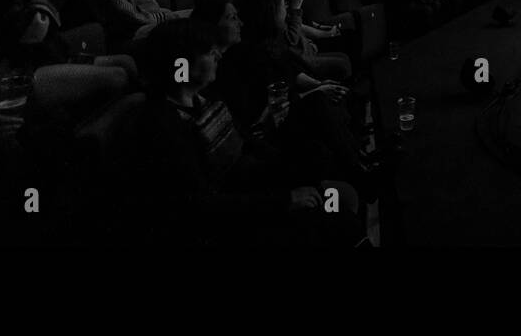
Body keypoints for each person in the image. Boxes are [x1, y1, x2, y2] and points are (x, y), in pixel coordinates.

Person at [132, 18, 361, 247]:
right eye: (210, 53)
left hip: (254, 189)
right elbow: (202, 207)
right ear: (182, 65)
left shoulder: (205, 98)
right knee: (337, 217)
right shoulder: (162, 125)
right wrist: (286, 200)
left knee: (321, 166)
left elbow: (247, 145)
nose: (218, 57)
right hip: (236, 221)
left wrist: (292, 171)